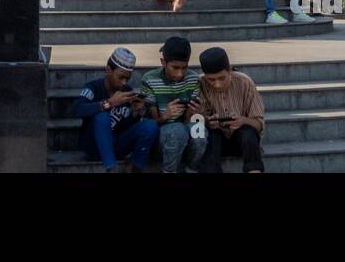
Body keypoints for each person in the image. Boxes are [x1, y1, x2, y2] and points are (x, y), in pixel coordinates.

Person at [71, 47, 159, 172]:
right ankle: (111, 168)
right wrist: (109, 103)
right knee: (102, 117)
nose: (124, 82)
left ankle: (136, 166)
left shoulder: (126, 90)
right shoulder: (93, 87)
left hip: (118, 144)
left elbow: (123, 125)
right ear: (108, 70)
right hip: (94, 146)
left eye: (127, 79)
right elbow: (77, 109)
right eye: (120, 77)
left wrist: (135, 113)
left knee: (150, 126)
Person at [138, 36, 208, 173]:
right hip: (161, 134)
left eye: (184, 68)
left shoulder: (193, 78)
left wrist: (191, 114)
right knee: (177, 131)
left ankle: (192, 169)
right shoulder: (149, 79)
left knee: (200, 131)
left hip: (183, 129)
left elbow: (190, 121)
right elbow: (152, 123)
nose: (180, 73)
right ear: (163, 62)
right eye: (175, 68)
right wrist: (165, 116)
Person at [195, 47, 264, 173]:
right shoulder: (200, 84)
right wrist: (207, 122)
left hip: (242, 143)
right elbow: (196, 120)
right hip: (216, 144)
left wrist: (243, 120)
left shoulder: (245, 82)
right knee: (209, 136)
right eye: (211, 80)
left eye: (222, 78)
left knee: (248, 133)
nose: (217, 84)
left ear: (230, 70)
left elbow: (259, 125)